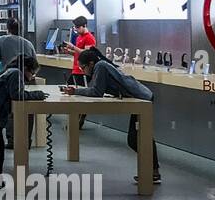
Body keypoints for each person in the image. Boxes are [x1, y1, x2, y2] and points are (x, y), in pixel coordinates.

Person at [64, 47, 161, 184]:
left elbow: (96, 92)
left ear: (91, 64)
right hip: (138, 98)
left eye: (83, 68)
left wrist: (76, 92)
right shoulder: (99, 66)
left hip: (142, 99)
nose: (83, 71)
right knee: (138, 138)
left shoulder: (101, 67)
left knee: (137, 138)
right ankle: (153, 171)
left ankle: (153, 171)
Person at [0, 55, 47, 191]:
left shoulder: (10, 71)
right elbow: (17, 95)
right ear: (26, 68)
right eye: (32, 73)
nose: (32, 76)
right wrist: (37, 94)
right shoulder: (15, 73)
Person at [58, 14, 97, 127]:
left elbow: (87, 54)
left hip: (83, 72)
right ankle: (73, 117)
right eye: (75, 27)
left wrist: (73, 46)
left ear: (84, 26)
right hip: (75, 69)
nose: (76, 29)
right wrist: (69, 51)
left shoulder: (89, 38)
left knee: (81, 95)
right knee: (69, 91)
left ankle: (79, 119)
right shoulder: (79, 38)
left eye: (78, 27)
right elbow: (78, 53)